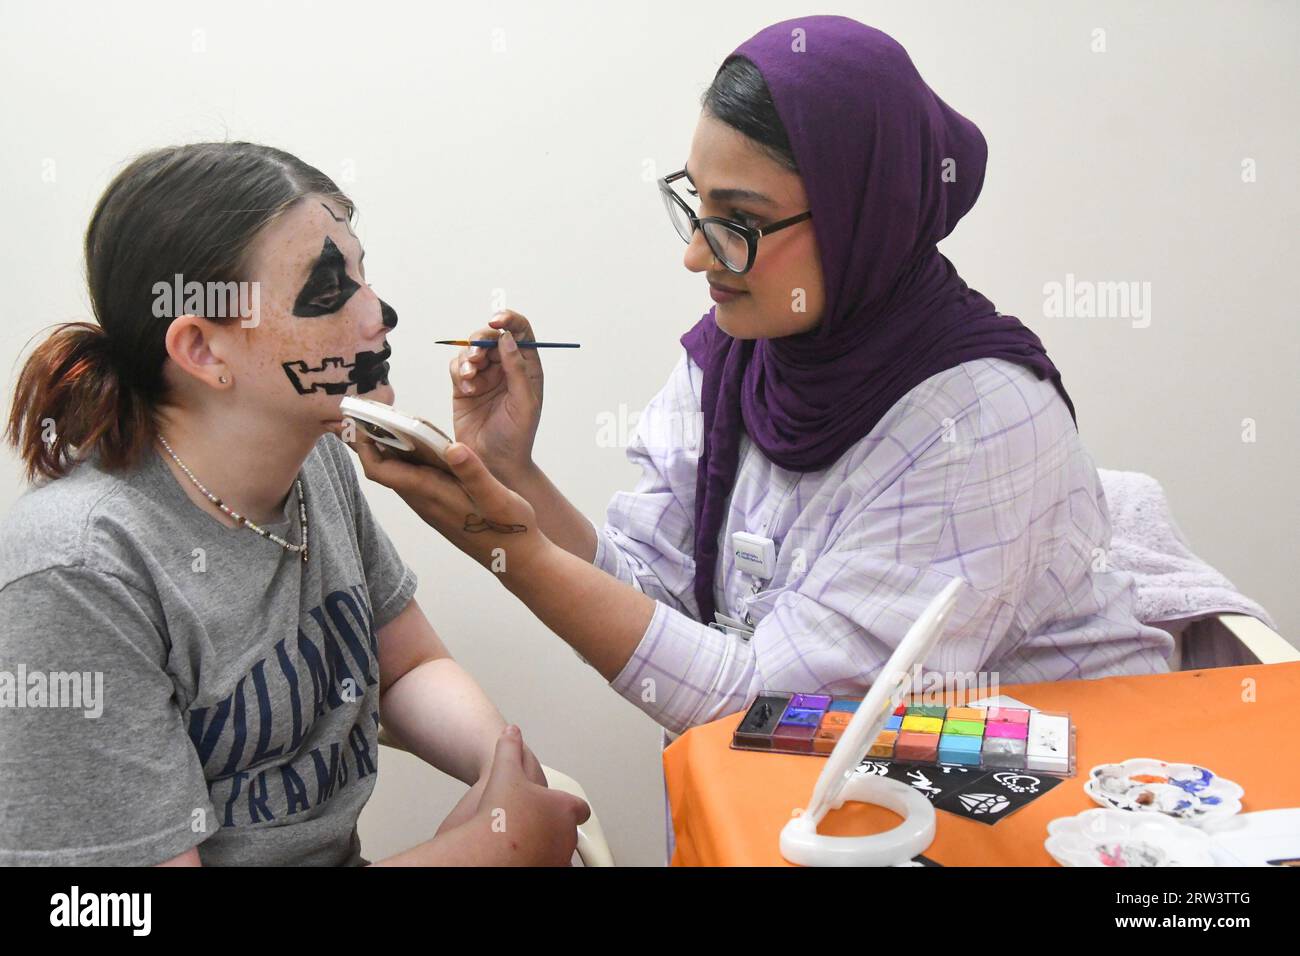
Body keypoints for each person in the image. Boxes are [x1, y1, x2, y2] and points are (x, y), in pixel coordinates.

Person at [348, 17, 1174, 739]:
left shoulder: (979, 423)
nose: (696, 254)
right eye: (694, 204)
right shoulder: (739, 352)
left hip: (1049, 804)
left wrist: (503, 544)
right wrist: (511, 476)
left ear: (862, 209)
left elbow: (774, 711)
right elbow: (659, 599)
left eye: (739, 223)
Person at [0, 142, 588, 866]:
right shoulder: (77, 573)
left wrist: (505, 771)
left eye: (363, 275)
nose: (380, 314)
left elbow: (405, 667)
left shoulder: (316, 466)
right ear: (204, 350)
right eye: (328, 290)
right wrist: (488, 852)